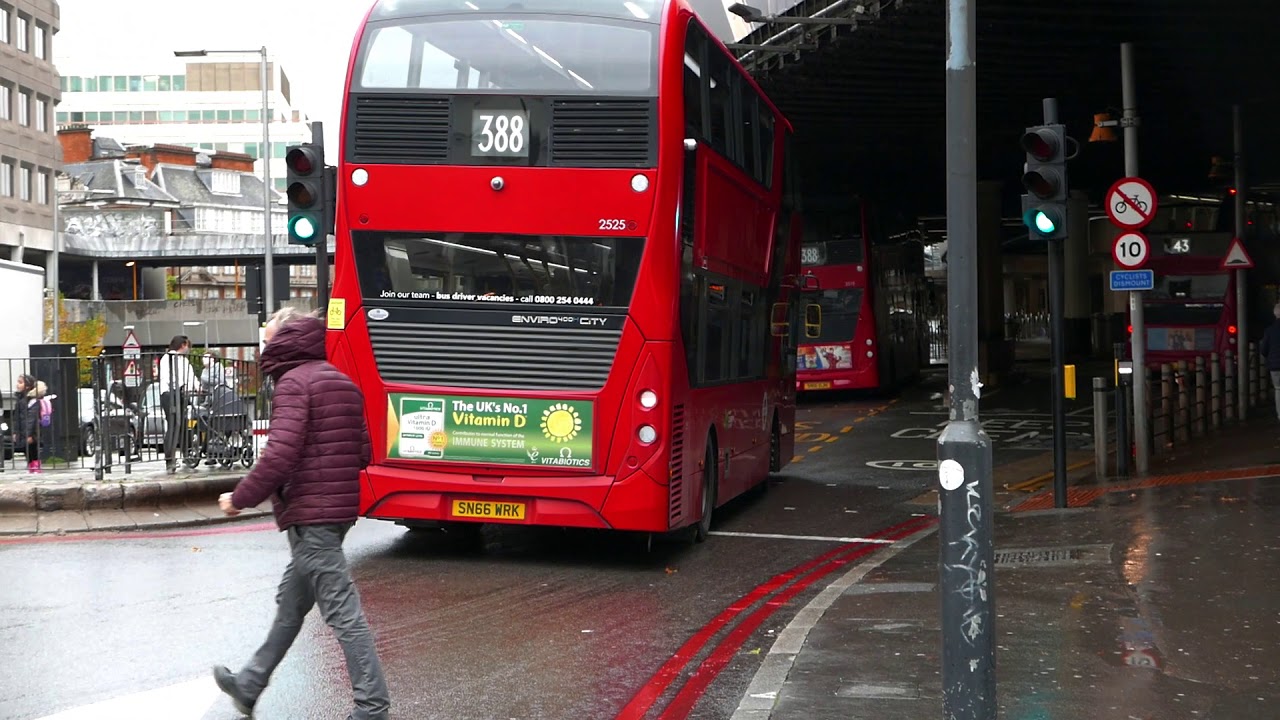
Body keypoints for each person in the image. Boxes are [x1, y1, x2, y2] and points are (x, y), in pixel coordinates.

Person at [214, 307, 390, 720]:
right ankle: (250, 683)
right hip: (337, 511)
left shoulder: (294, 383)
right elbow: (362, 452)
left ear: (287, 339)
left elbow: (280, 454)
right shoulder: (341, 381)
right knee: (292, 602)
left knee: (342, 612)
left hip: (311, 513)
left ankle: (372, 706)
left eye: (269, 337)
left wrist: (240, 498)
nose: (265, 344)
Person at [156, 335, 196, 473]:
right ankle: (171, 458)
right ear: (182, 345)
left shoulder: (181, 360)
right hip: (171, 393)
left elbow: (190, 377)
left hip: (175, 393)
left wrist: (193, 387)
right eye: (186, 346)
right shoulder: (169, 359)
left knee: (180, 423)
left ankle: (182, 455)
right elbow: (171, 378)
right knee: (174, 424)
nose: (187, 349)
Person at [12, 374, 47, 474]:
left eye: (20, 382)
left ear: (27, 386)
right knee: (27, 449)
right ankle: (32, 467)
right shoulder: (21, 399)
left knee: (33, 449)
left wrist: (30, 434)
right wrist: (16, 431)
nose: (17, 385)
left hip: (31, 431)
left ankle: (35, 467)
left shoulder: (32, 400)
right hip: (23, 430)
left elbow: (32, 419)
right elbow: (16, 417)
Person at [1258, 302, 1280, 420]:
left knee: (1278, 389)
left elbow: (1263, 349)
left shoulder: (1269, 330)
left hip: (1275, 365)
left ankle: (1279, 414)